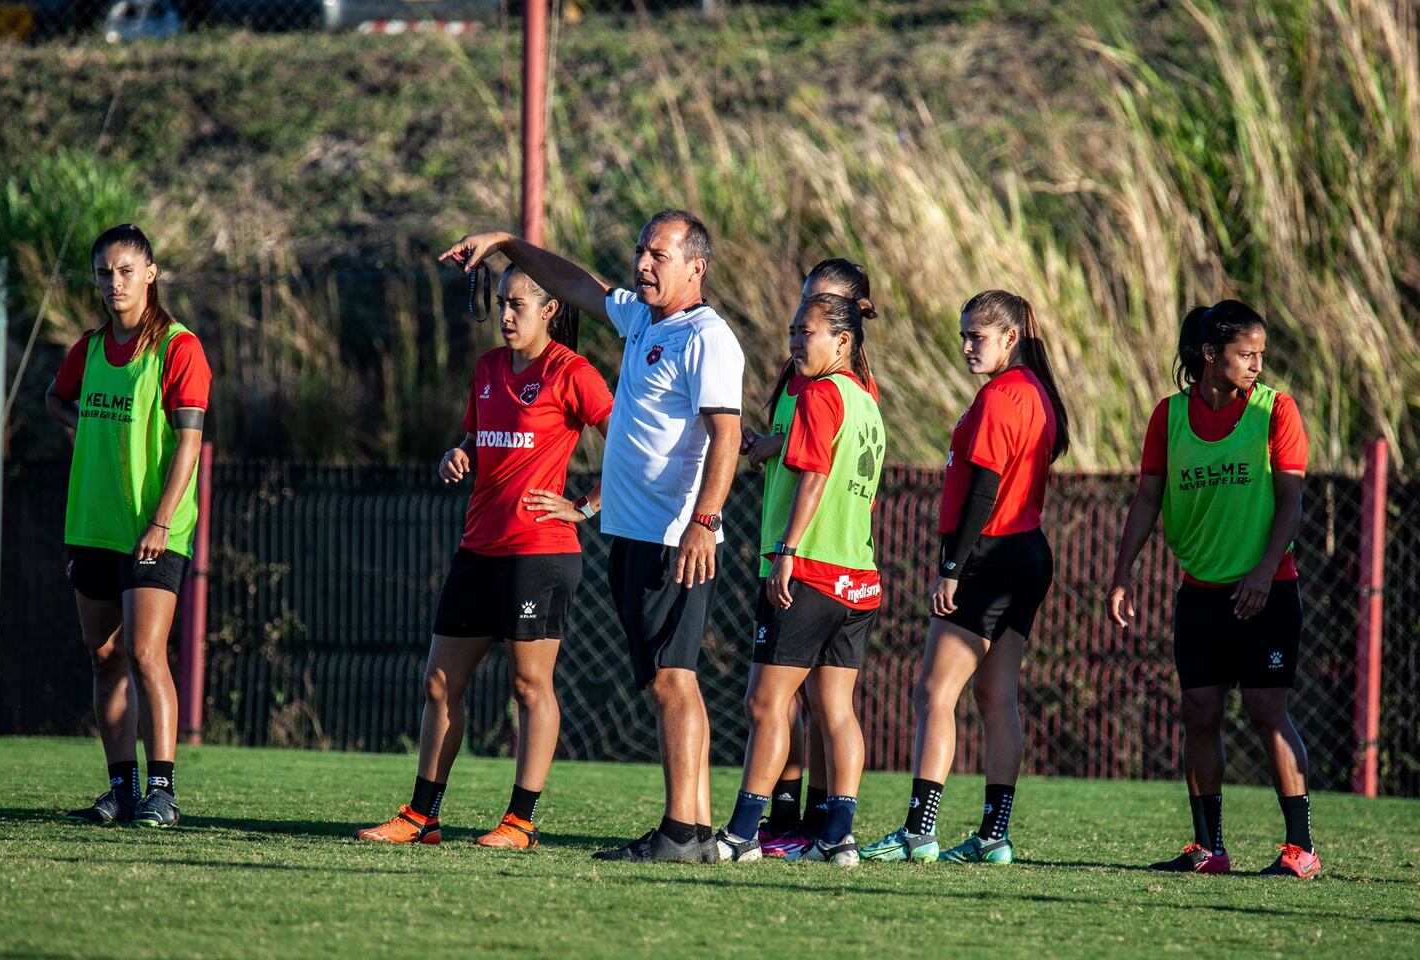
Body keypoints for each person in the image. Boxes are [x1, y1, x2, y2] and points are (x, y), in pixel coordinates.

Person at [439, 209, 744, 864]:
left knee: (673, 680)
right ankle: (690, 833)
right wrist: (508, 244)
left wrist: (705, 520)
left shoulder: (707, 336)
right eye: (640, 251)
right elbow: (576, 284)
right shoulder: (644, 320)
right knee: (666, 679)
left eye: (659, 255)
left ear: (696, 267)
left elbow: (727, 434)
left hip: (673, 535)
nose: (643, 264)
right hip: (634, 533)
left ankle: (683, 832)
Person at [354, 265, 612, 849]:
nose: (506, 315)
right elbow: (478, 437)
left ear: (550, 309)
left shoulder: (571, 371)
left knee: (528, 685)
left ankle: (521, 822)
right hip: (478, 548)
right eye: (501, 304)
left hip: (539, 553)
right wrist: (459, 453)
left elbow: (627, 441)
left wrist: (585, 506)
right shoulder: (489, 368)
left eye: (518, 304)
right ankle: (422, 816)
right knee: (440, 683)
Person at [1107, 300, 1320, 878]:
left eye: (1260, 355)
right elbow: (1147, 498)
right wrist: (1123, 573)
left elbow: (1291, 502)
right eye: (1245, 354)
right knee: (1199, 712)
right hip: (1200, 593)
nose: (1257, 365)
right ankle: (1208, 848)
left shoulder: (1276, 410)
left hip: (1268, 590)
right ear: (1209, 354)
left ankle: (1300, 848)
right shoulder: (1170, 415)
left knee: (1266, 710)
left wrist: (1263, 572)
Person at [861, 289, 1068, 864]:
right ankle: (994, 837)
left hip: (991, 555)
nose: (967, 346)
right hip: (1026, 552)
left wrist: (952, 568)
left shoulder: (1003, 394)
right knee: (996, 696)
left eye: (978, 336)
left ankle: (918, 832)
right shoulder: (1036, 392)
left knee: (934, 691)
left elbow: (983, 490)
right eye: (963, 336)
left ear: (1010, 338)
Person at [46, 224, 211, 828]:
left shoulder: (178, 347)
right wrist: (88, 427)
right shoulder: (89, 348)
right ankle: (121, 790)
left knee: (145, 654)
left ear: (150, 274)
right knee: (105, 657)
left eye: (125, 271)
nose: (114, 282)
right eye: (104, 272)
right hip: (93, 524)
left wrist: (161, 521)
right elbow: (55, 398)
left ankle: (162, 793)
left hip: (152, 528)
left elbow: (189, 443)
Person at [714, 293, 885, 867]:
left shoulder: (818, 393)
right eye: (791, 331)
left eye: (805, 332)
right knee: (836, 709)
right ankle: (839, 837)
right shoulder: (865, 400)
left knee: (765, 702)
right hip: (857, 576)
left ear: (842, 341)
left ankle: (742, 833)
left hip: (809, 572)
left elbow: (814, 476)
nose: (794, 342)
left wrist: (787, 550)